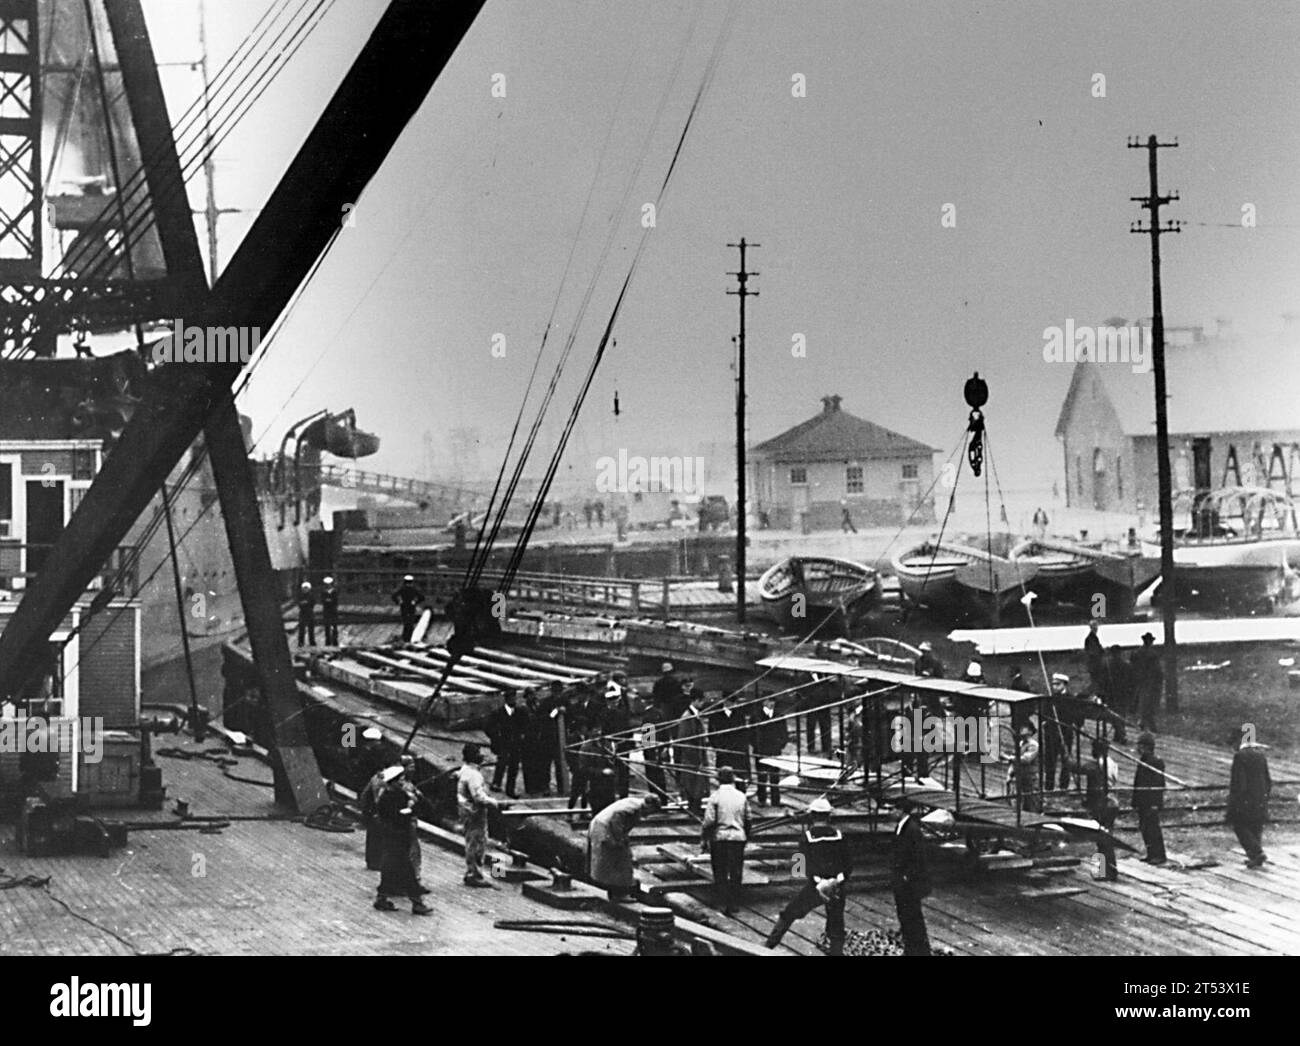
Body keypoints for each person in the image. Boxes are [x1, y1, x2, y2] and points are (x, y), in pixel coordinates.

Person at [765, 797, 851, 955]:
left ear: (812, 816)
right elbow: (848, 863)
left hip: (814, 887)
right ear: (829, 816)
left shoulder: (806, 837)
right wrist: (837, 880)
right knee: (836, 923)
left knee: (788, 914)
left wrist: (818, 881)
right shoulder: (840, 836)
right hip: (837, 886)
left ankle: (768, 946)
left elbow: (799, 866)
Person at [373, 767, 432, 914]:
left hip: (395, 838)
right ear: (392, 782)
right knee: (407, 871)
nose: (402, 782)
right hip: (396, 838)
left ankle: (381, 898)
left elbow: (425, 807)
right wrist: (410, 809)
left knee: (388, 869)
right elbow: (396, 817)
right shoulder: (387, 799)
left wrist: (414, 801)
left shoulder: (397, 795)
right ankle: (417, 902)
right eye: (400, 780)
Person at [587, 792, 663, 901]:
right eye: (651, 811)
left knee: (613, 861)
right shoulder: (632, 809)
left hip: (601, 826)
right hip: (605, 830)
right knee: (619, 861)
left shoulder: (634, 803)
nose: (648, 815)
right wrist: (621, 842)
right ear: (649, 806)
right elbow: (616, 823)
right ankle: (620, 894)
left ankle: (614, 892)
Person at [1065, 738, 1120, 881]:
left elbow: (1078, 768)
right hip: (1111, 803)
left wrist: (1066, 757)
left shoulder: (1097, 766)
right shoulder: (1111, 763)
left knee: (1102, 839)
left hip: (1103, 804)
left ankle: (1103, 872)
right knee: (1106, 837)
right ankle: (1110, 870)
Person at [702, 766, 751, 914]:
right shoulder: (741, 796)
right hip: (738, 837)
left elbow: (709, 821)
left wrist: (704, 838)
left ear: (718, 780)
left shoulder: (715, 797)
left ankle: (721, 901)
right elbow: (748, 819)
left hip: (720, 837)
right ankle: (733, 902)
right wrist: (745, 836)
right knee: (736, 871)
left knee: (720, 870)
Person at [892, 798, 933, 955]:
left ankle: (919, 951)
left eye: (892, 809)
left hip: (909, 884)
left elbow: (918, 857)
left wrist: (907, 877)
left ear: (901, 810)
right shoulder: (901, 827)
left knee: (912, 917)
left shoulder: (912, 830)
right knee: (906, 917)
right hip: (902, 882)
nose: (889, 812)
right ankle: (912, 949)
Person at [457, 743, 501, 887]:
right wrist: (495, 803)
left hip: (466, 811)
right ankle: (474, 874)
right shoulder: (474, 775)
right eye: (478, 753)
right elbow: (479, 797)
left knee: (471, 841)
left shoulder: (465, 770)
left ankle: (472, 871)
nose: (481, 755)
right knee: (477, 842)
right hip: (475, 813)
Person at [1226, 730, 1272, 868]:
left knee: (1239, 825)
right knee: (1255, 826)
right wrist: (1265, 796)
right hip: (1260, 798)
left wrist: (1234, 801)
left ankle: (1257, 853)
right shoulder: (1260, 755)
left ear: (1238, 742)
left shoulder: (1239, 756)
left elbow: (1239, 782)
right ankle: (1255, 857)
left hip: (1244, 799)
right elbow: (1268, 780)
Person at [1131, 732, 1167, 865]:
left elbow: (1159, 784)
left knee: (1153, 828)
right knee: (1145, 828)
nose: (1138, 748)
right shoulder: (1144, 760)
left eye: (1140, 745)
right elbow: (1138, 782)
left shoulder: (1155, 762)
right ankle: (1151, 853)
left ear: (1146, 746)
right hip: (1143, 801)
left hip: (1151, 802)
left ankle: (1159, 855)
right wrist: (1135, 801)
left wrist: (1155, 804)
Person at [676, 686, 710, 815]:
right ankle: (693, 809)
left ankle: (696, 807)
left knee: (697, 784)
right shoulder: (687, 717)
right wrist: (697, 758)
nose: (702, 704)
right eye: (701, 701)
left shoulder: (694, 715)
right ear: (696, 701)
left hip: (697, 756)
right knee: (692, 784)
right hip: (692, 758)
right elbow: (684, 740)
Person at [486, 692, 525, 798]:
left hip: (516, 743)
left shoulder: (520, 712)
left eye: (514, 698)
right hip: (503, 742)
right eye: (511, 698)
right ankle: (496, 783)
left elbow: (525, 725)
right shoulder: (498, 713)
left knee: (514, 766)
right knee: (501, 763)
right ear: (506, 700)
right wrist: (496, 738)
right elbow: (488, 727)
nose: (514, 700)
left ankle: (510, 789)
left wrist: (522, 735)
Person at [752, 697, 789, 807]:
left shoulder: (779, 715)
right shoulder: (756, 716)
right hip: (761, 750)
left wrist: (781, 743)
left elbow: (784, 732)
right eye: (769, 701)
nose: (772, 703)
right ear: (764, 702)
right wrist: (756, 746)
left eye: (773, 701)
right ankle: (762, 799)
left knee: (775, 777)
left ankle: (775, 800)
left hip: (775, 750)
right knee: (762, 776)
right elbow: (751, 734)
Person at [709, 693, 752, 784]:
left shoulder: (739, 714)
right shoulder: (715, 715)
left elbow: (744, 734)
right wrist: (718, 748)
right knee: (724, 781)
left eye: (733, 703)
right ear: (725, 701)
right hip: (723, 753)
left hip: (737, 754)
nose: (732, 705)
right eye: (730, 702)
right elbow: (711, 735)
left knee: (740, 781)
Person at [603, 679, 633, 798]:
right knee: (619, 772)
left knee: (619, 772)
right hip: (617, 745)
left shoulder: (606, 714)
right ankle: (620, 795)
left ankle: (618, 795)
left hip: (616, 745)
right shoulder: (621, 713)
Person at [1007, 721, 1041, 812]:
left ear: (1030, 731)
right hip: (1020, 775)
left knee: (1030, 802)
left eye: (1023, 728)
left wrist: (1011, 758)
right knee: (1016, 800)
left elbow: (1026, 759)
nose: (1020, 729)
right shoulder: (1021, 743)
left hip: (1030, 777)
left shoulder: (1033, 745)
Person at [1132, 632, 1163, 732]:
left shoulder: (1137, 653)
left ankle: (1143, 722)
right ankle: (1148, 724)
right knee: (1150, 703)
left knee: (1142, 702)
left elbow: (1133, 666)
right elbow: (1157, 670)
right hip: (1151, 682)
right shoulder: (1153, 654)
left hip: (1140, 681)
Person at [392, 574, 425, 642]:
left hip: (408, 606)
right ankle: (407, 637)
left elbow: (421, 597)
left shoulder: (409, 589)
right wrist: (400, 601)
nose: (409, 584)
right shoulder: (406, 589)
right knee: (408, 622)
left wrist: (414, 601)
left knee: (408, 622)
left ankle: (407, 637)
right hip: (407, 606)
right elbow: (394, 596)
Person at [1084, 620, 1105, 691]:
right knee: (1096, 682)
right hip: (1095, 664)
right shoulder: (1090, 638)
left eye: (1096, 626)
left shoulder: (1092, 638)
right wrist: (1101, 650)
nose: (1096, 628)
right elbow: (1093, 652)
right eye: (1094, 626)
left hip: (1094, 664)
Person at [320, 576, 340, 646]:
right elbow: (322, 600)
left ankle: (335, 638)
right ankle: (327, 639)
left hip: (333, 609)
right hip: (326, 610)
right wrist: (328, 600)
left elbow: (335, 601)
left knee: (334, 624)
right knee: (327, 625)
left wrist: (329, 601)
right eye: (327, 584)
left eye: (329, 584)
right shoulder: (323, 592)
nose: (328, 585)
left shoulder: (334, 591)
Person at [296, 581, 316, 647]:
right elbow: (299, 603)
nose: (305, 589)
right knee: (301, 628)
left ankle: (312, 641)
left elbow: (313, 603)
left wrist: (306, 603)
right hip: (302, 613)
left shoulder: (311, 595)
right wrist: (304, 603)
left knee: (311, 628)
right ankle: (301, 642)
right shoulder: (300, 596)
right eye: (304, 588)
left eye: (306, 588)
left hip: (310, 612)